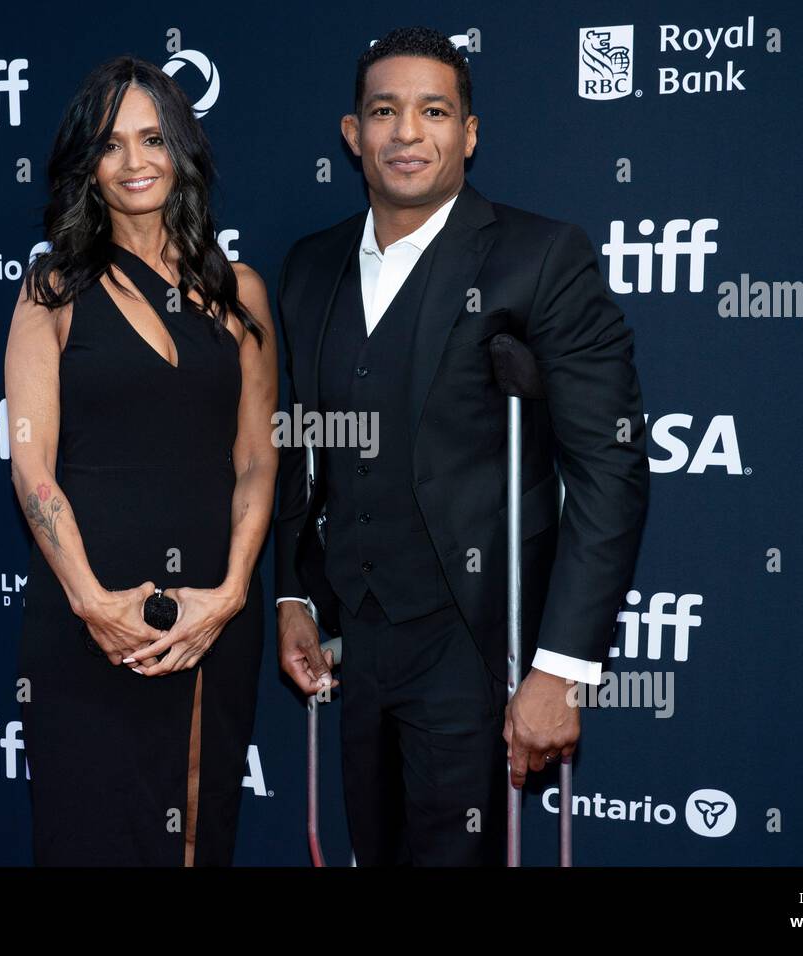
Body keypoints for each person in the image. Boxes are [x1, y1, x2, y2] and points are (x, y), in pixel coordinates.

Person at [274, 27, 649, 865]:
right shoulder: (308, 268)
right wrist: (294, 596)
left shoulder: (541, 257)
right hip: (360, 642)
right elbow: (298, 441)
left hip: (478, 649)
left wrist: (559, 669)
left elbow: (608, 470)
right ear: (352, 133)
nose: (407, 133)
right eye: (385, 111)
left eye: (433, 110)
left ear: (468, 134)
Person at [5, 55, 277, 866]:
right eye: (111, 143)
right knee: (88, 832)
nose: (134, 162)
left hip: (210, 607)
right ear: (88, 163)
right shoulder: (49, 291)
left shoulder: (241, 293)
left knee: (197, 825)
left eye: (153, 138)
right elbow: (31, 465)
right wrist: (93, 604)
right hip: (86, 605)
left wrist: (228, 596)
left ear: (181, 151)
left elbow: (260, 460)